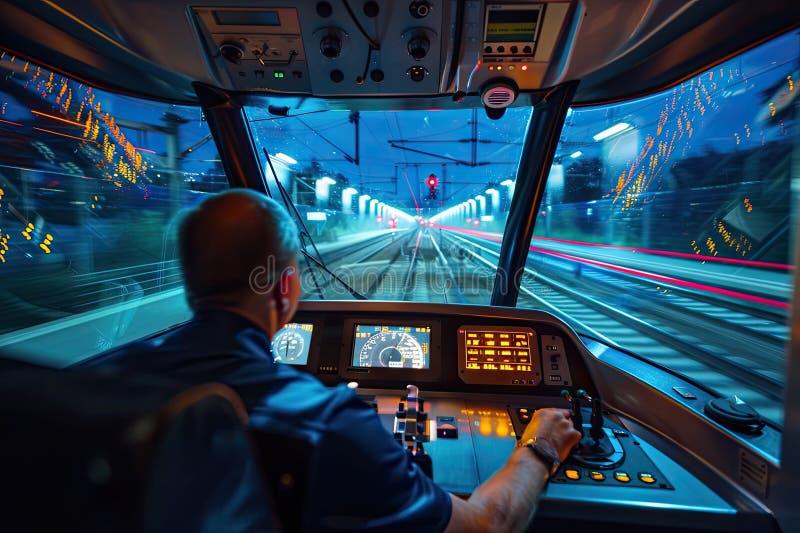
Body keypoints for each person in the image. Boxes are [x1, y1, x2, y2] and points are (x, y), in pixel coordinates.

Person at [88, 189, 581, 532]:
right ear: (284, 290)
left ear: (191, 284)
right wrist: (538, 446)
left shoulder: (98, 384)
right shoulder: (329, 424)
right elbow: (487, 524)